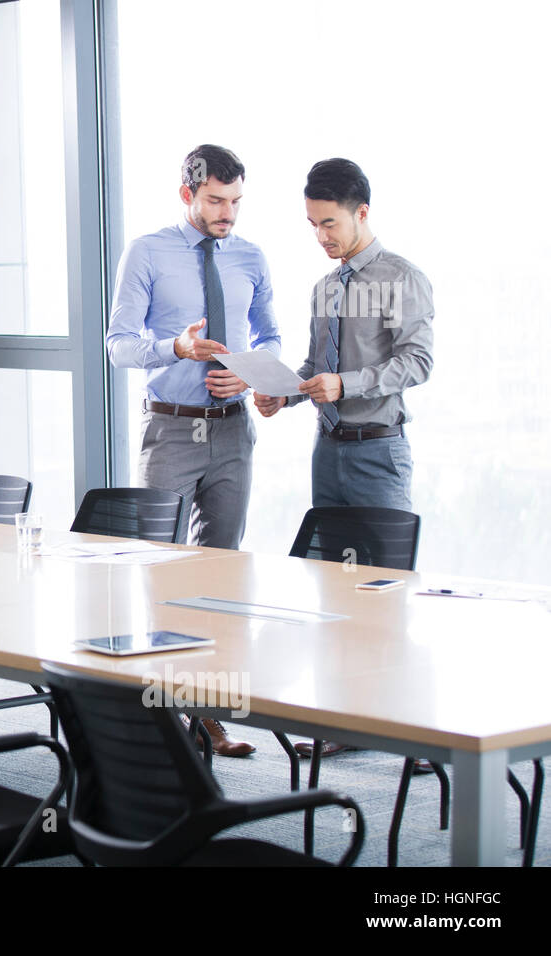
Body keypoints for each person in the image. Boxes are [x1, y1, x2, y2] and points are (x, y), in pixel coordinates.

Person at [254, 158, 434, 762]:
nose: (322, 237)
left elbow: (417, 363)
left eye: (329, 223)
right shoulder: (324, 287)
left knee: (384, 591)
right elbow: (314, 366)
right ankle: (342, 722)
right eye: (312, 225)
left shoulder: (401, 278)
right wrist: (284, 389)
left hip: (379, 452)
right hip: (326, 453)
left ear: (362, 212)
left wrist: (348, 384)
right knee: (331, 591)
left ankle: (405, 723)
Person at [107, 144, 281, 757]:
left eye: (235, 202)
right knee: (158, 571)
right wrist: (175, 349)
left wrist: (253, 377)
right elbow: (119, 346)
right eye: (215, 200)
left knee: (220, 574)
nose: (226, 213)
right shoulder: (148, 251)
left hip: (232, 430)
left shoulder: (250, 257)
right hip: (172, 430)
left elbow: (269, 333)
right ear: (188, 195)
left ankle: (207, 716)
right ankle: (150, 722)